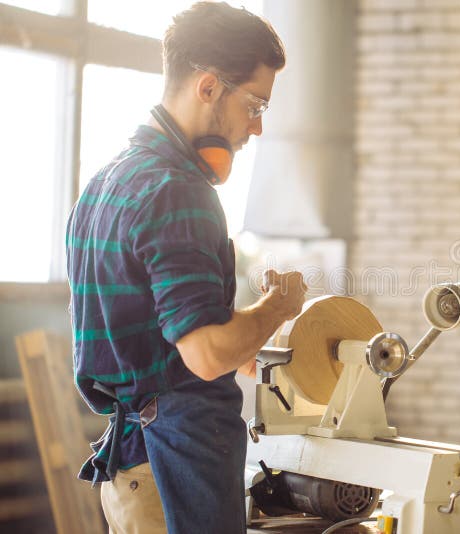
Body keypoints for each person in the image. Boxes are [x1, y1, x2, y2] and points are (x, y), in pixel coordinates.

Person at [65, 3, 306, 532]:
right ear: (208, 87)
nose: (258, 127)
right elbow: (206, 354)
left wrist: (244, 335)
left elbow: (165, 340)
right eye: (255, 103)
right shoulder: (179, 191)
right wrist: (278, 306)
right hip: (173, 470)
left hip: (132, 466)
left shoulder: (107, 182)